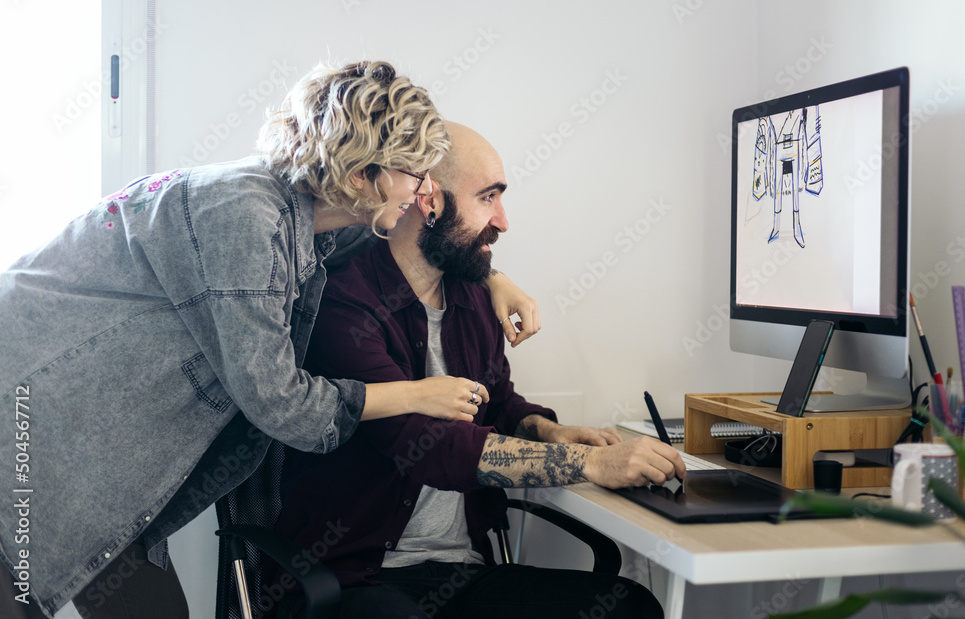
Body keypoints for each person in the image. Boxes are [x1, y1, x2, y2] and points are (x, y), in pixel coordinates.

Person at [0, 63, 541, 619]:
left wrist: (493, 278)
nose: (425, 190)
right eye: (415, 173)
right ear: (363, 174)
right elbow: (280, 402)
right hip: (32, 413)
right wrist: (415, 394)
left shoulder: (311, 219)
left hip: (94, 441)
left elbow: (412, 250)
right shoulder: (244, 217)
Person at [272, 122, 683, 618]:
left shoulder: (472, 297)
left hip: (463, 573)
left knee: (629, 607)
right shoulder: (344, 304)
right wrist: (591, 464)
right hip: (353, 577)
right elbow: (429, 447)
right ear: (429, 200)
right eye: (488, 197)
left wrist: (547, 430)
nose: (503, 221)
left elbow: (498, 404)